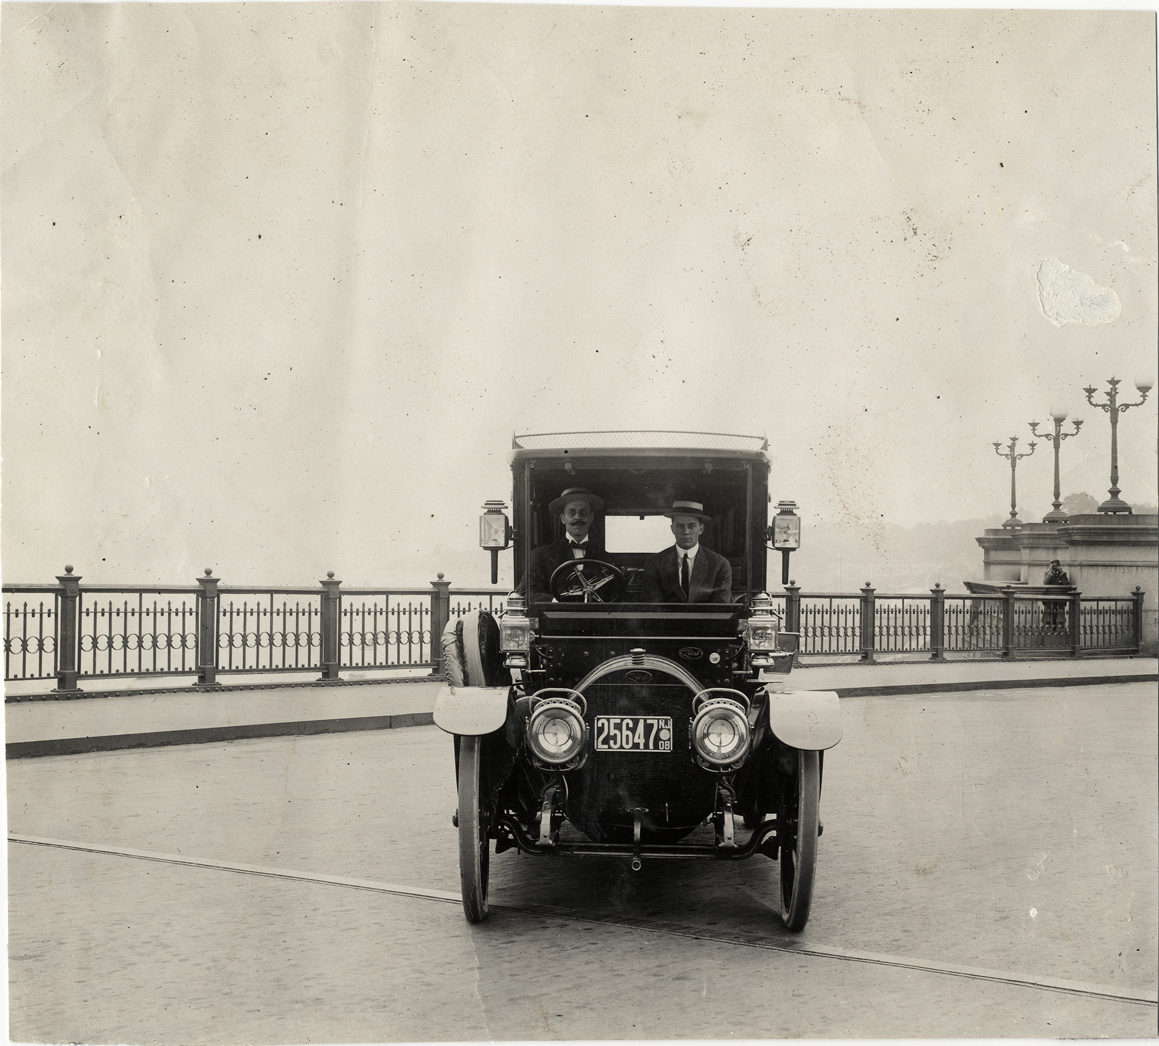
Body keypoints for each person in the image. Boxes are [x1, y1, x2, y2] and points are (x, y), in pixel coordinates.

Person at [521, 487, 610, 603]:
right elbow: (525, 592)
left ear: (591, 517)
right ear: (563, 519)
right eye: (572, 513)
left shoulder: (607, 559)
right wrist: (555, 603)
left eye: (583, 513)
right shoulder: (540, 556)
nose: (578, 517)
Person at [640, 499, 732, 604]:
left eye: (691, 526)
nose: (686, 531)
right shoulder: (654, 563)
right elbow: (652, 607)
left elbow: (720, 608)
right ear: (672, 529)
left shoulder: (719, 564)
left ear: (701, 529)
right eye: (680, 526)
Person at [1042, 559, 1071, 631]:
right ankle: (1048, 628)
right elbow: (1045, 583)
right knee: (1049, 614)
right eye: (1053, 566)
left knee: (1060, 614)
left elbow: (1066, 583)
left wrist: (1062, 573)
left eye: (1056, 566)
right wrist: (1051, 573)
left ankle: (1060, 628)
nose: (1055, 567)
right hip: (1049, 599)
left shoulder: (1063, 574)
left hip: (1059, 599)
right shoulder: (1047, 573)